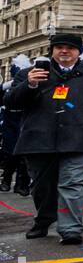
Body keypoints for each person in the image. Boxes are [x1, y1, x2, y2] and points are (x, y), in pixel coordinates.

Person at [4, 32, 83, 245]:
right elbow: (11, 103)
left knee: (73, 185)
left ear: (79, 52)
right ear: (52, 51)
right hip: (39, 141)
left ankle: (70, 228)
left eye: (70, 48)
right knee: (42, 187)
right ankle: (44, 220)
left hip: (80, 140)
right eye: (59, 47)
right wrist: (30, 84)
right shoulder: (31, 74)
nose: (64, 51)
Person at [0, 55, 32, 195]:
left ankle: (22, 184)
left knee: (25, 155)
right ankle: (6, 181)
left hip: (24, 120)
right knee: (10, 153)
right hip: (10, 120)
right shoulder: (7, 85)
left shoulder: (29, 82)